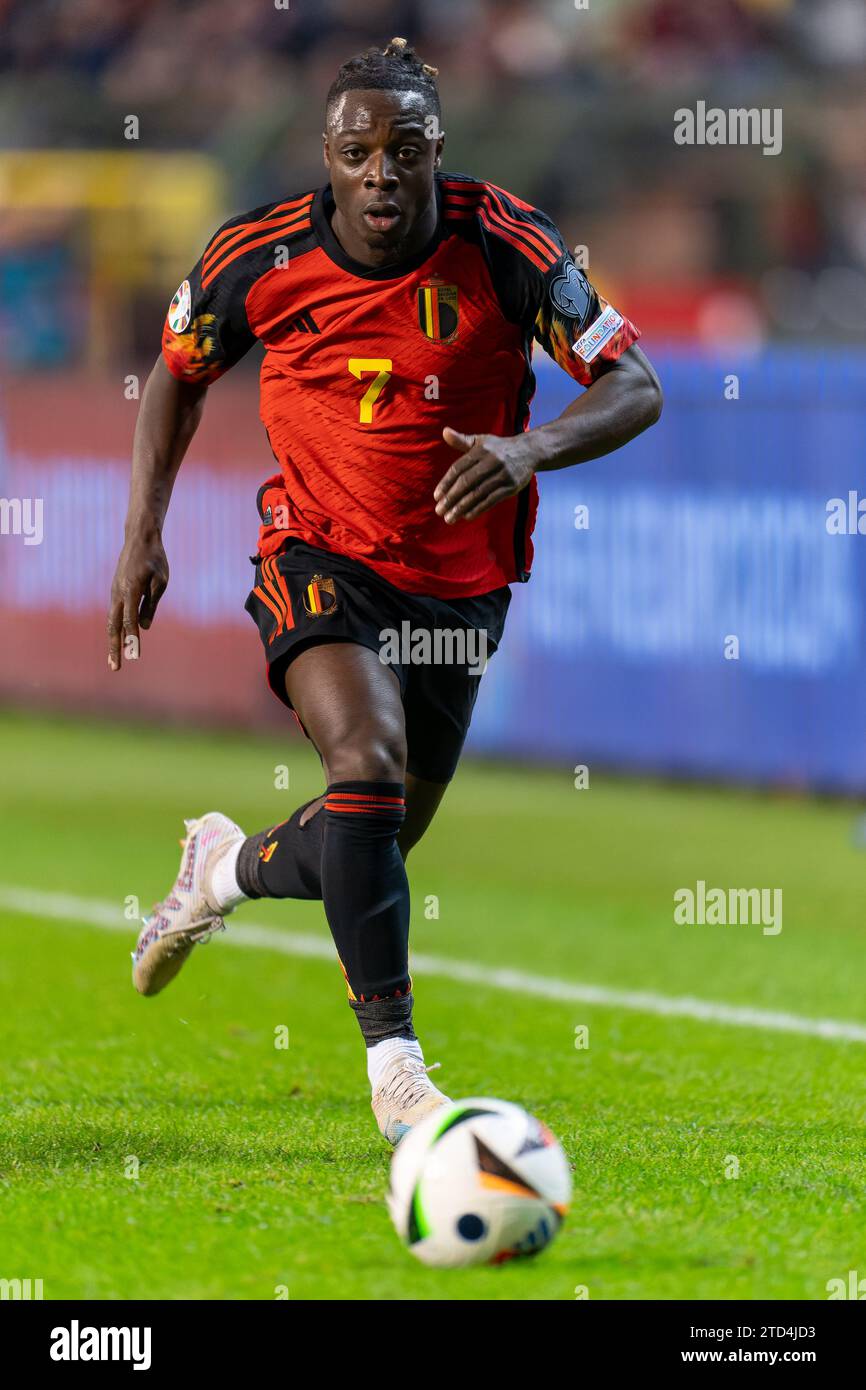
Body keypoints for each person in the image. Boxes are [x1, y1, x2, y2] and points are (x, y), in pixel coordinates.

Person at [108, 37, 662, 1145]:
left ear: (435, 152)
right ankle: (398, 1073)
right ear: (326, 155)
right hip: (317, 553)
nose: (380, 174)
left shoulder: (505, 244)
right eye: (356, 152)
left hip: (462, 585)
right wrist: (142, 536)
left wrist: (526, 449)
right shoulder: (256, 257)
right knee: (360, 765)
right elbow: (177, 373)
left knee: (372, 838)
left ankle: (219, 869)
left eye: (402, 150)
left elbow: (634, 387)